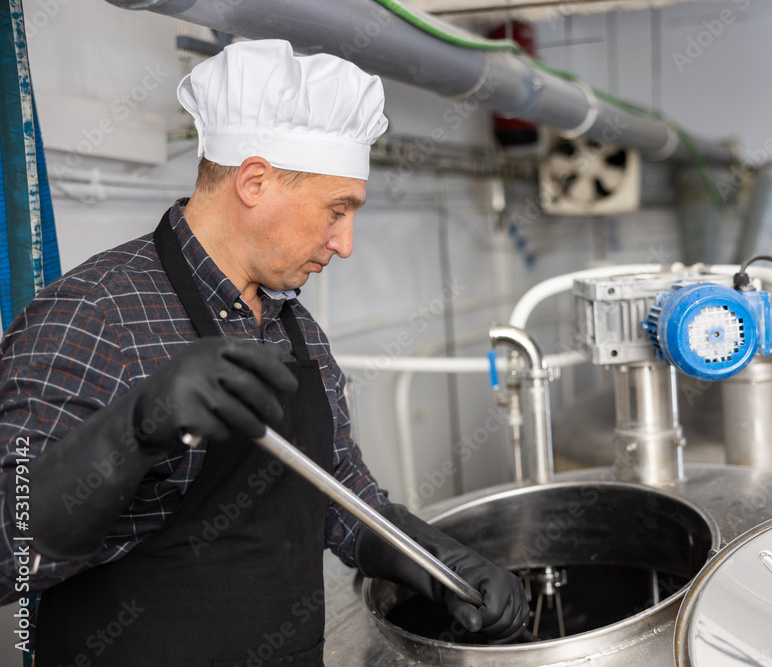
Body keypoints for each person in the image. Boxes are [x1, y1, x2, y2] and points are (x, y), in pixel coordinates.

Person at [0, 39, 528, 665]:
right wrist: (131, 431)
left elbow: (339, 495)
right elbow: (12, 547)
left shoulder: (293, 327)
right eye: (337, 210)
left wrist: (434, 559)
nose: (346, 242)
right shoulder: (94, 315)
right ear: (255, 181)